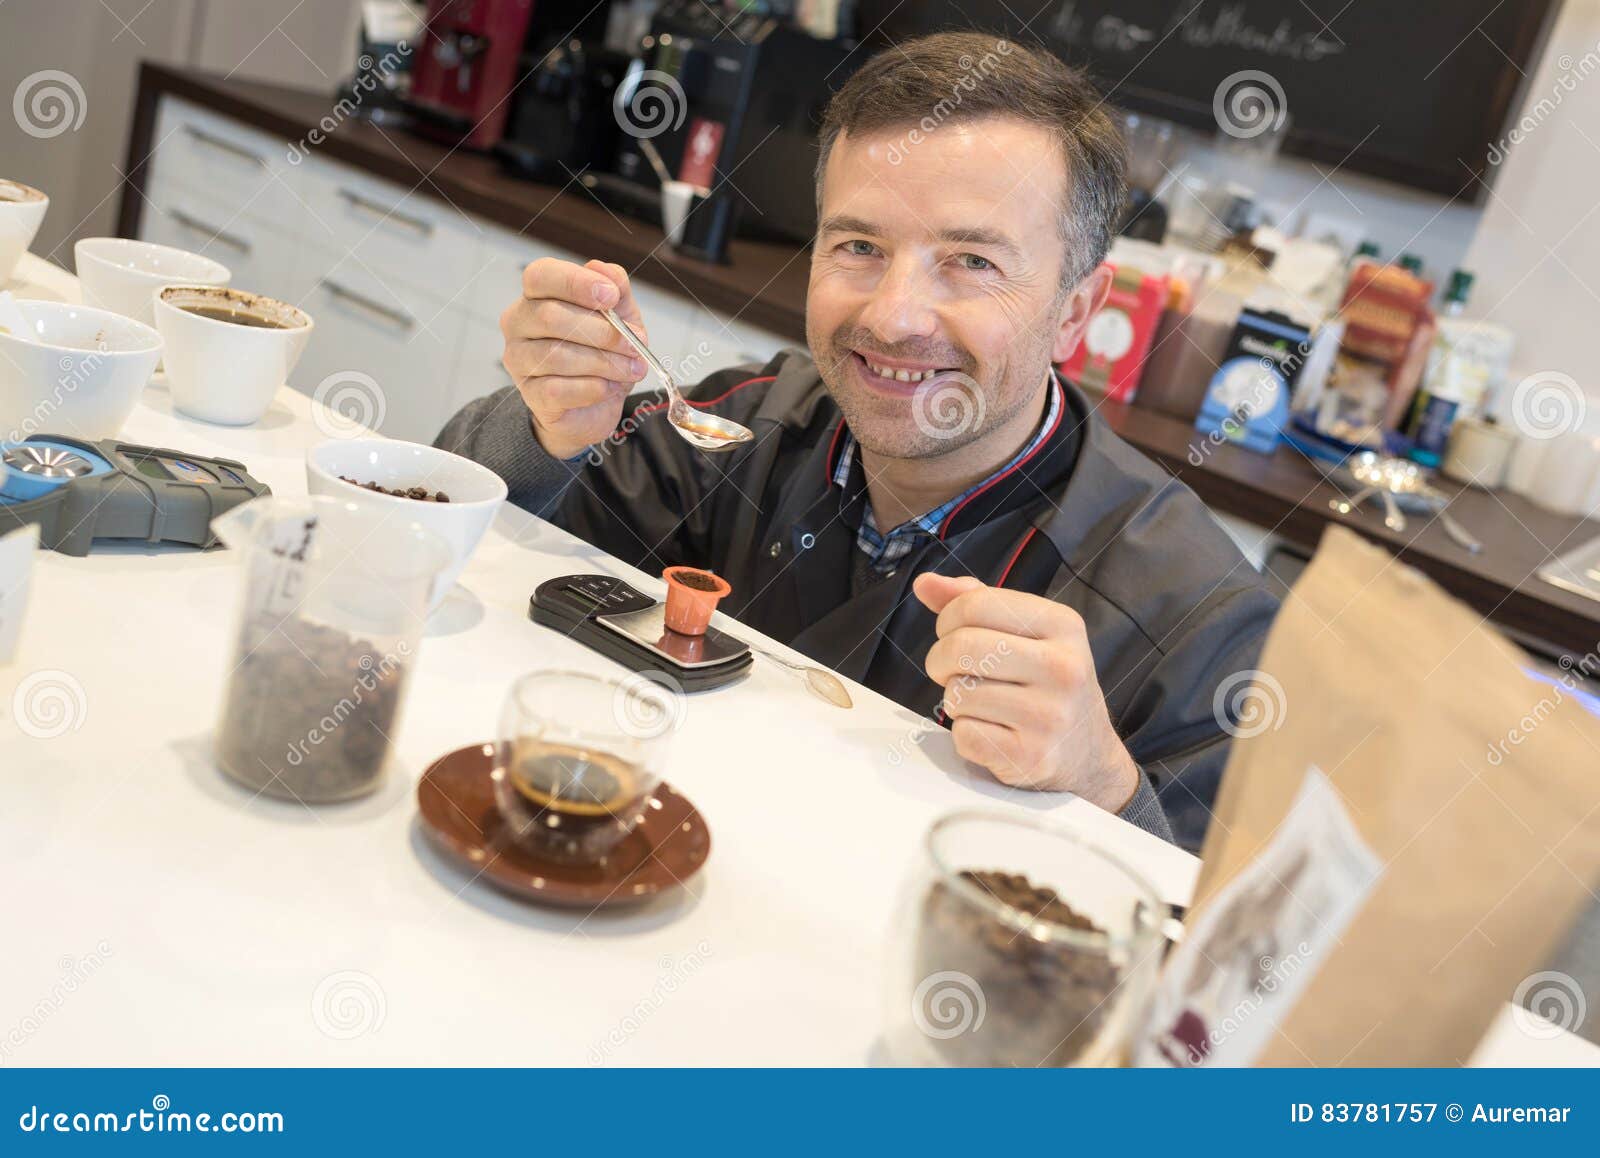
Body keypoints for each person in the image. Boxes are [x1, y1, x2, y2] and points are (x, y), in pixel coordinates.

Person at [437, 32, 1279, 850]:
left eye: (972, 262)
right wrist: (549, 428)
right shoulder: (744, 425)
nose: (892, 316)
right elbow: (458, 537)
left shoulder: (1198, 615)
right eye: (860, 246)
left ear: (1075, 312)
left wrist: (1103, 786)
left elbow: (1225, 959)